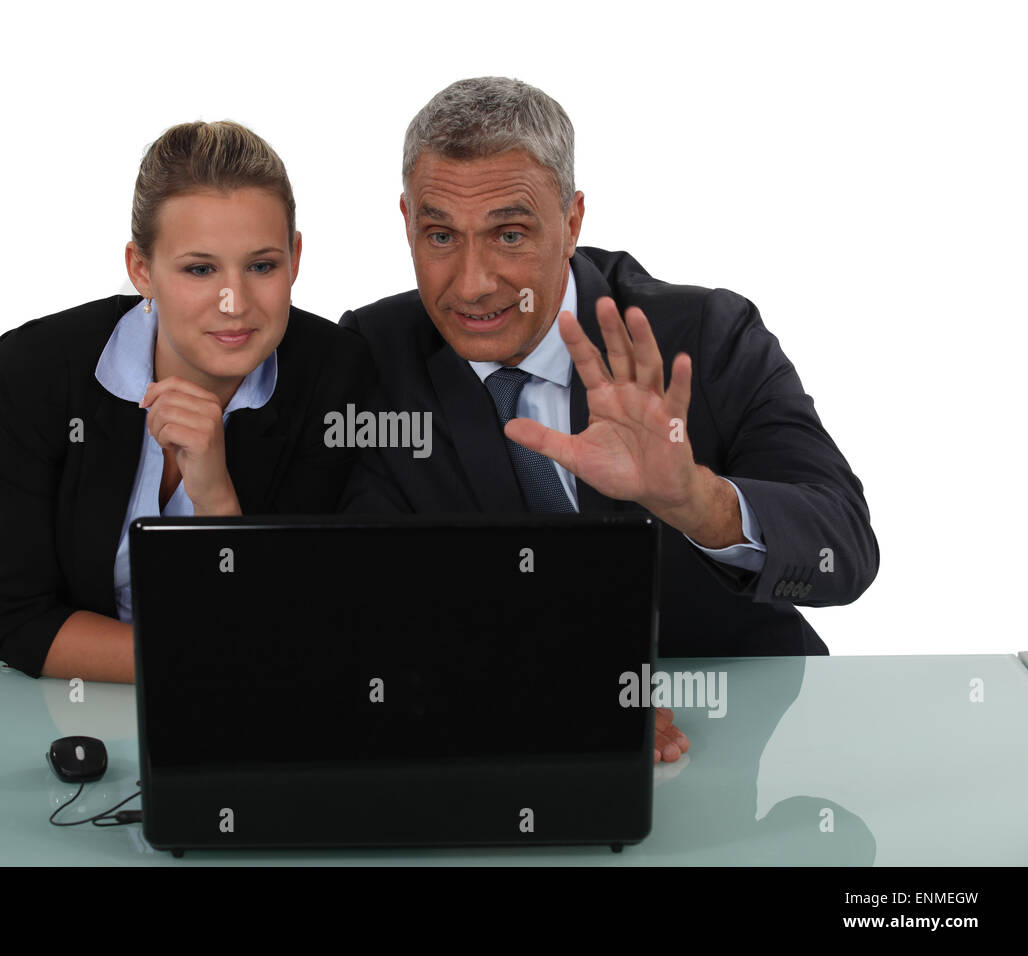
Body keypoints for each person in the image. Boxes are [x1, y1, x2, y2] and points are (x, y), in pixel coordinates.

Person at [339, 77, 881, 761]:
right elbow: (358, 595)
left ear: (572, 220)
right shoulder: (372, 356)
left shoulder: (705, 335)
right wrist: (528, 689)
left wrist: (697, 501)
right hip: (497, 746)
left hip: (743, 741)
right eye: (440, 234)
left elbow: (845, 549)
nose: (472, 282)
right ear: (406, 220)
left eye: (509, 234)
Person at [0, 120, 374, 683]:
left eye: (262, 265)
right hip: (60, 706)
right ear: (142, 269)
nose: (234, 303)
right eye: (200, 269)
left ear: (296, 257)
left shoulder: (336, 377)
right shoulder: (39, 372)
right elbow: (18, 620)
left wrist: (215, 495)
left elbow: (294, 623)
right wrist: (198, 660)